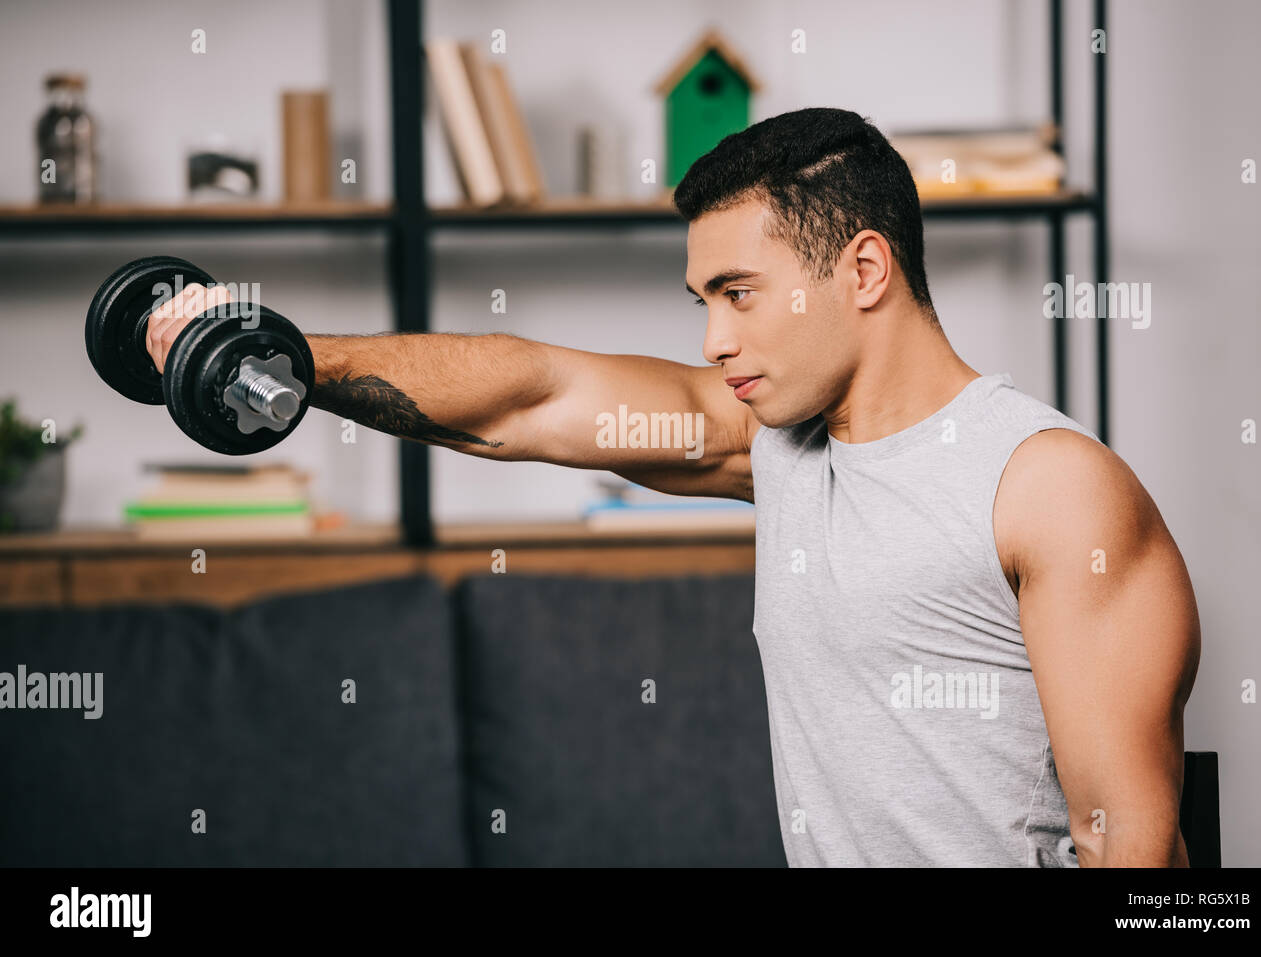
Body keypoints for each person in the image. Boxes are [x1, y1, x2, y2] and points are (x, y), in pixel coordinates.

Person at [146, 107, 1201, 867]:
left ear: (864, 271)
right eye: (704, 301)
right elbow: (527, 398)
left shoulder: (1048, 488)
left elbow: (1130, 848)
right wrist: (275, 353)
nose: (713, 341)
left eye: (740, 294)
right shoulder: (775, 443)